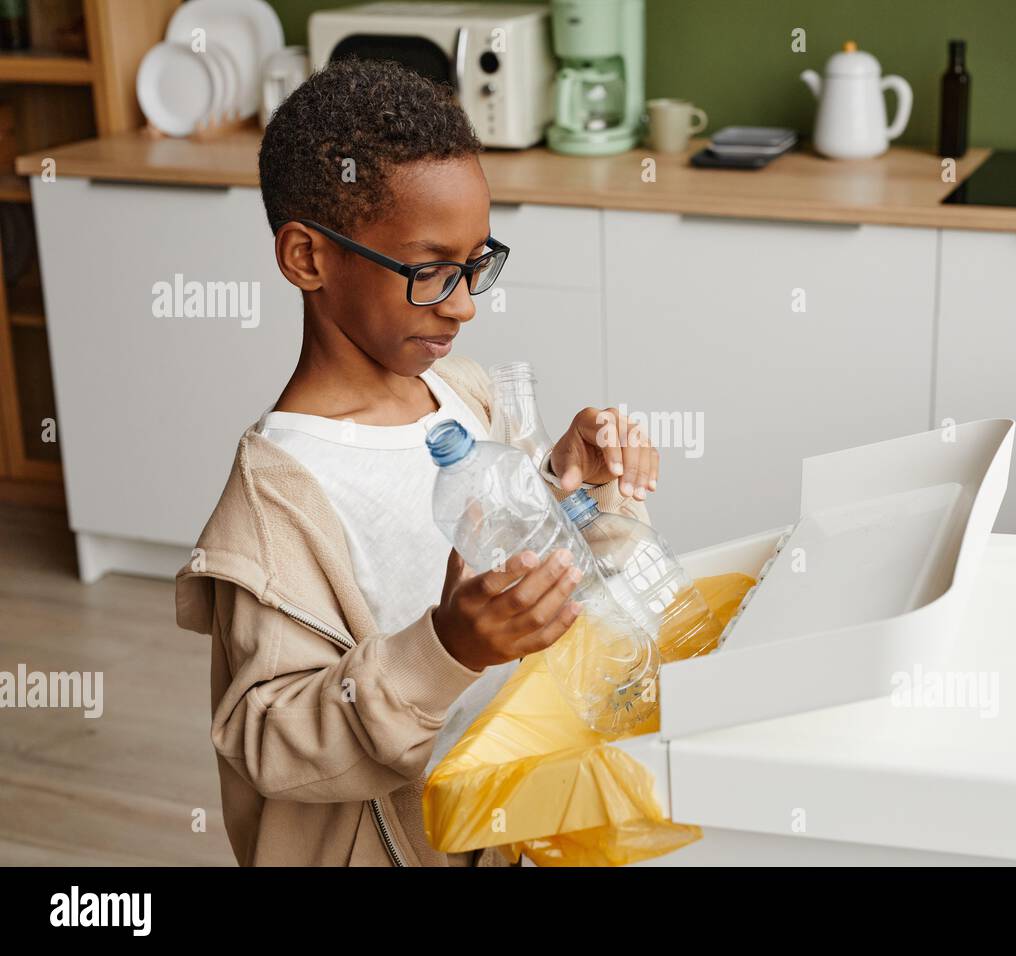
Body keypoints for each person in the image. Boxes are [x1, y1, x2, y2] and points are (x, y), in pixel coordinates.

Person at [175, 59, 659, 866]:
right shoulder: (274, 505)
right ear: (306, 258)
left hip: (508, 825)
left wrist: (581, 489)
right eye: (431, 270)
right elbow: (271, 744)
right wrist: (446, 650)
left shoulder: (462, 397)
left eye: (476, 264)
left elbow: (538, 573)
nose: (466, 303)